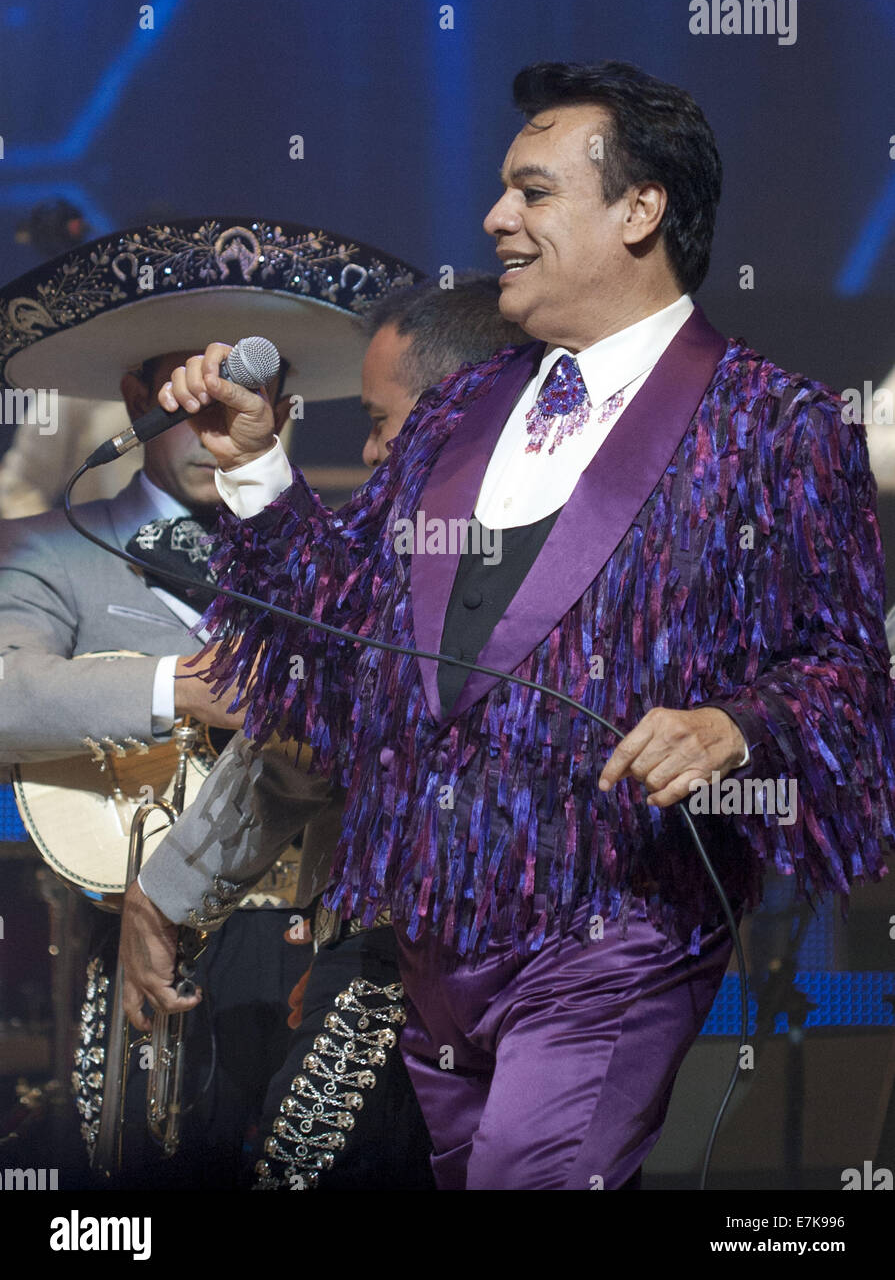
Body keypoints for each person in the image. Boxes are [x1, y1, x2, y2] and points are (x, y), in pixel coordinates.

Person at [124, 64, 895, 1191]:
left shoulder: (772, 425)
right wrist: (257, 475)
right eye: (502, 191)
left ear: (641, 210)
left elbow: (849, 675)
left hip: (616, 930)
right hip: (435, 940)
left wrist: (735, 725)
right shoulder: (459, 412)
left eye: (533, 192)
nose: (495, 218)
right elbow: (344, 642)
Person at [0, 215, 423, 1186]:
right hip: (146, 926)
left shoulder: (334, 554)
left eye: (248, 385)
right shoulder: (48, 543)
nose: (217, 408)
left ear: (280, 405)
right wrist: (176, 687)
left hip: (320, 932)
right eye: (188, 385)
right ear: (136, 395)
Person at [129, 273, 526, 1189]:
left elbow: (312, 736)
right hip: (366, 949)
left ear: (459, 412)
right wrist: (165, 890)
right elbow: (305, 723)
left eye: (384, 421)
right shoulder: (394, 545)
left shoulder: (548, 558)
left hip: (475, 972)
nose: (375, 450)